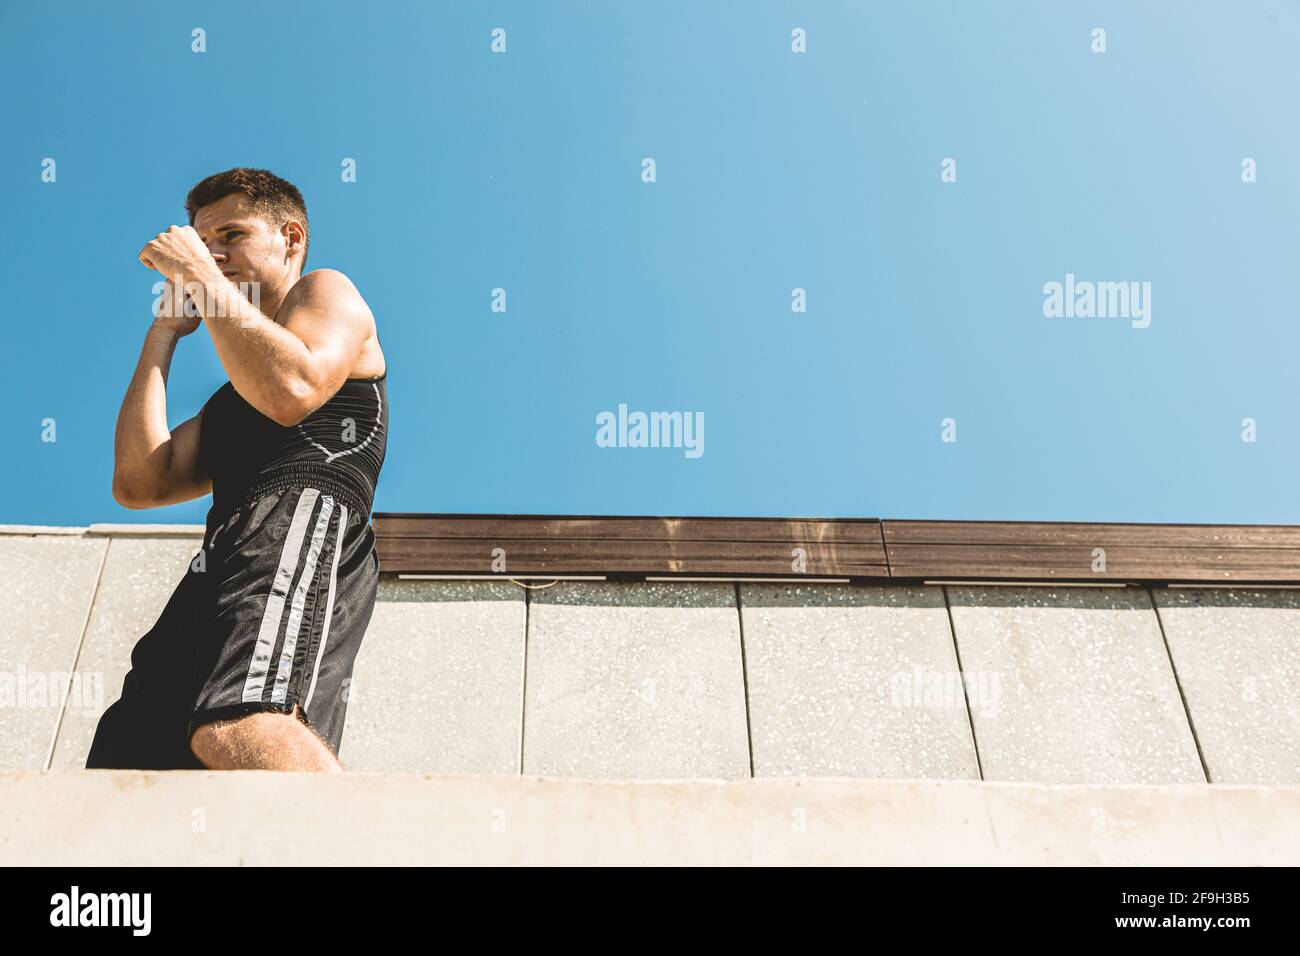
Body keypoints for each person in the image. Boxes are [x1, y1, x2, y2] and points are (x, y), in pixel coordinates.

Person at [87, 167, 388, 772]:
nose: (212, 254)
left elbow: (292, 388)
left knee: (241, 724)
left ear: (291, 238)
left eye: (230, 235)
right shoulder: (230, 400)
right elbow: (139, 483)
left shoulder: (326, 292)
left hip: (298, 511)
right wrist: (164, 333)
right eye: (202, 242)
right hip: (221, 553)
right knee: (135, 760)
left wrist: (198, 271)